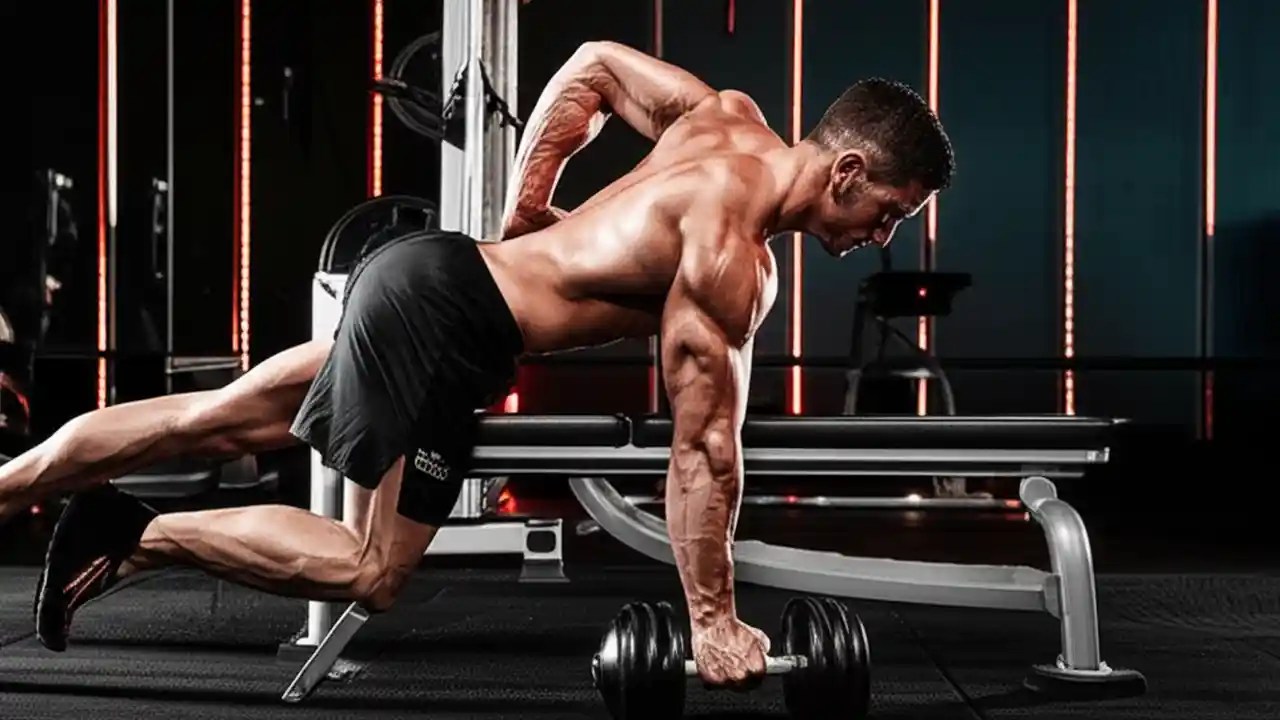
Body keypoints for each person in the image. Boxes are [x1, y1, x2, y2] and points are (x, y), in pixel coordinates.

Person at [0, 41, 952, 690]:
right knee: (372, 569)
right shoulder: (733, 258)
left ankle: (11, 485)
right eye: (889, 215)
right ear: (847, 171)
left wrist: (525, 210)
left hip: (435, 275)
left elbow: (593, 67)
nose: (879, 238)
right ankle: (133, 536)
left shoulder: (726, 119)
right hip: (446, 323)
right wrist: (712, 621)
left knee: (218, 418)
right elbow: (704, 452)